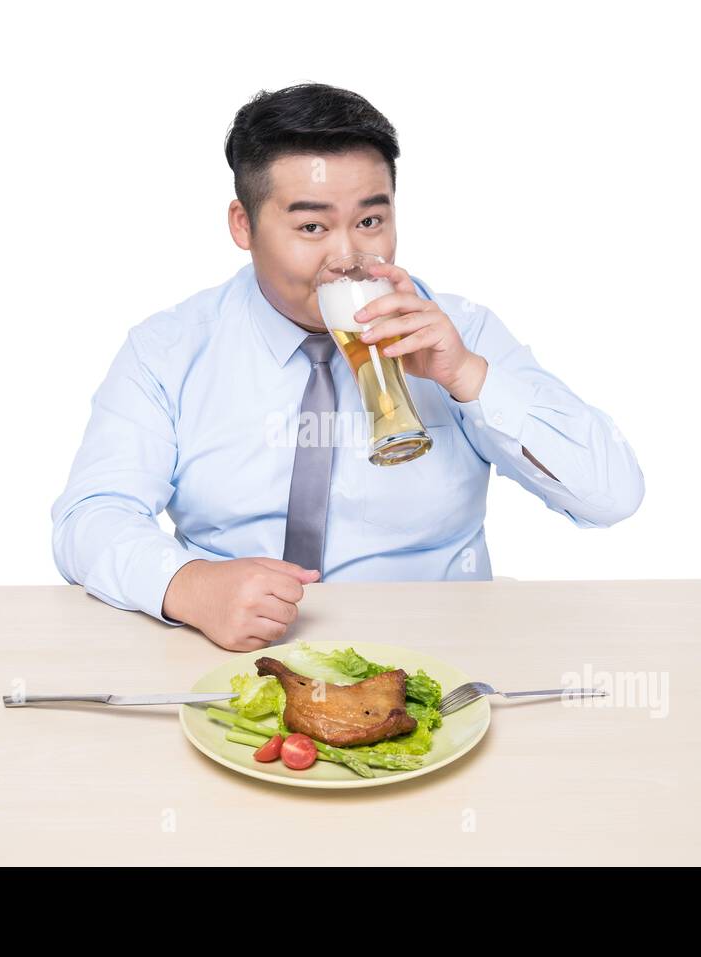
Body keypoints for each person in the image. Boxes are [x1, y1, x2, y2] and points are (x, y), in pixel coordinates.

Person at [51, 82, 644, 652]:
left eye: (370, 222)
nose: (347, 258)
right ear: (243, 224)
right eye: (311, 226)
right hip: (233, 659)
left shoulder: (459, 332)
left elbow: (612, 495)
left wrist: (467, 376)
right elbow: (91, 516)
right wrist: (187, 585)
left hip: (439, 659)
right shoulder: (170, 348)